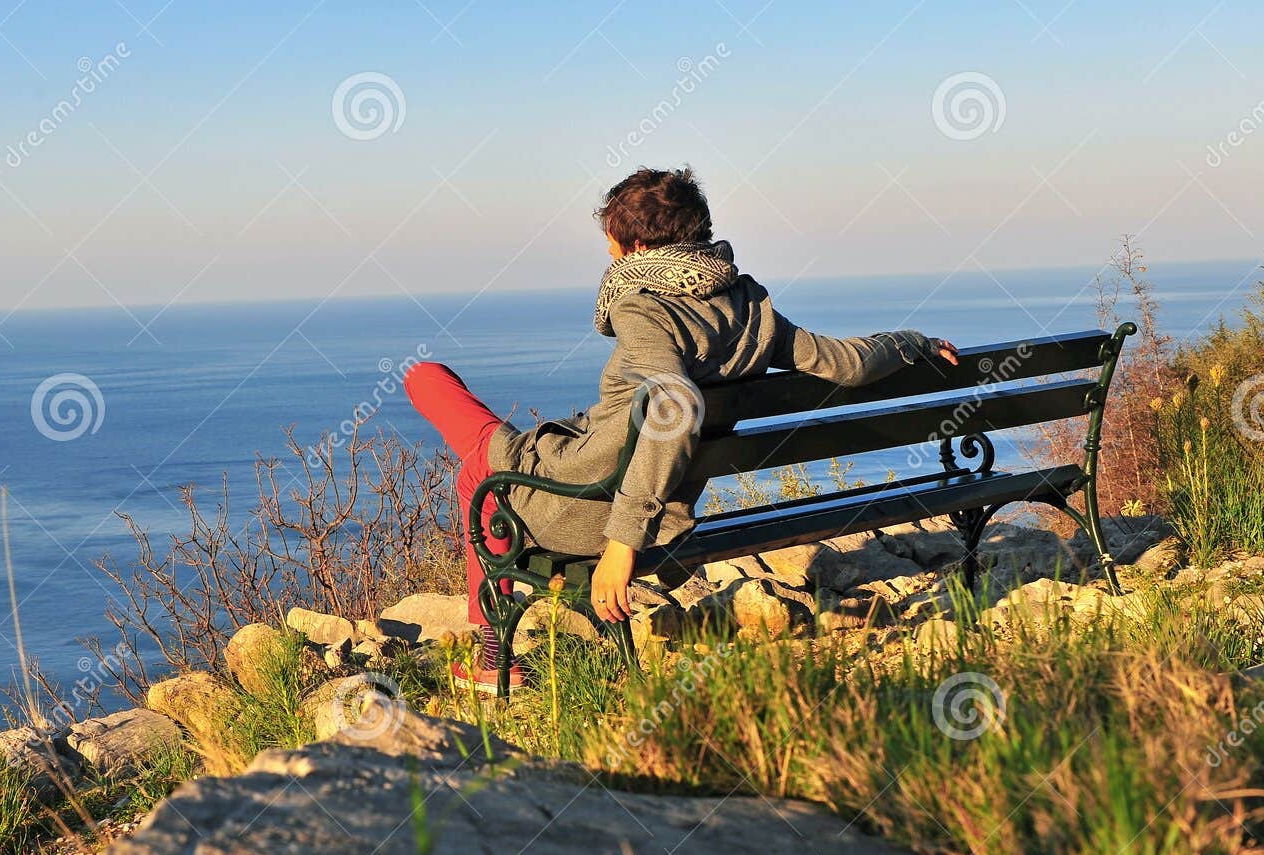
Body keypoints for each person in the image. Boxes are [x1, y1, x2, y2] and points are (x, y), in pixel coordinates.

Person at [405, 166, 958, 692]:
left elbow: (673, 403)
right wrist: (913, 342)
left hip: (579, 505)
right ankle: (489, 648)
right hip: (660, 497)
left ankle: (490, 653)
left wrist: (622, 547)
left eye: (613, 243)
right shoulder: (748, 307)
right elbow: (846, 363)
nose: (608, 253)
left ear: (640, 249)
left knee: (437, 400)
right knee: (481, 444)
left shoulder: (644, 308)